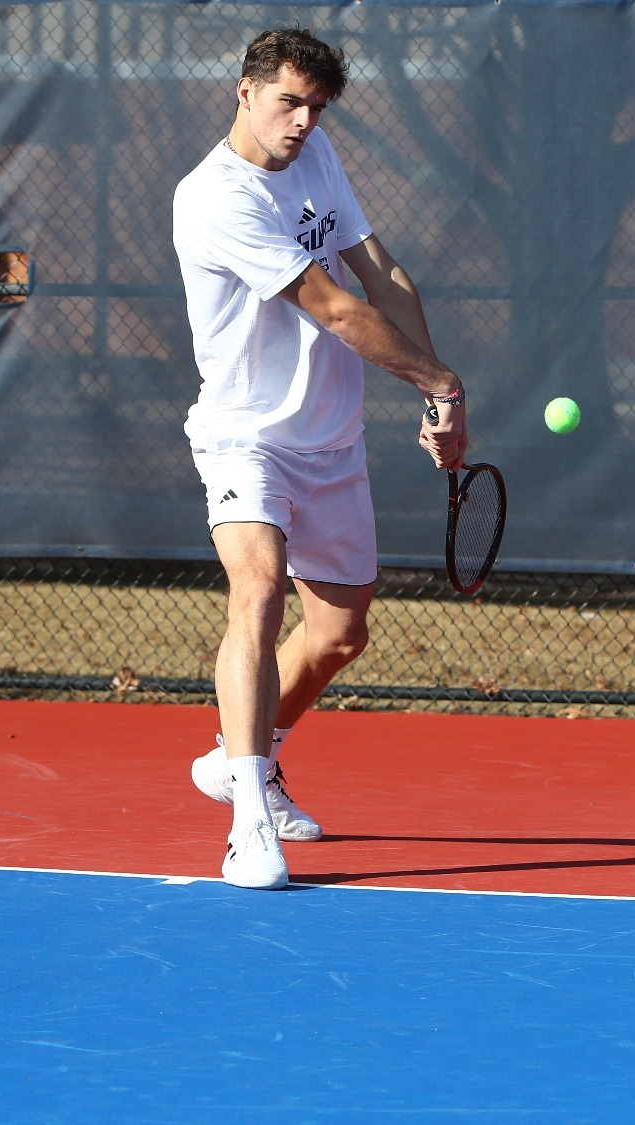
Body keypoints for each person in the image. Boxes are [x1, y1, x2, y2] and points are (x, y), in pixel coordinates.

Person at [171, 27, 470, 890]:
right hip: (244, 434)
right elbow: (333, 307)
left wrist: (438, 396)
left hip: (330, 438)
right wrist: (442, 379)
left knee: (339, 635)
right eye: (288, 102)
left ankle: (245, 759)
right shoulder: (213, 196)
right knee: (258, 590)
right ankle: (247, 824)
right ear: (244, 91)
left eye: (317, 106)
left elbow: (378, 271)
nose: (302, 122)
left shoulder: (319, 154)